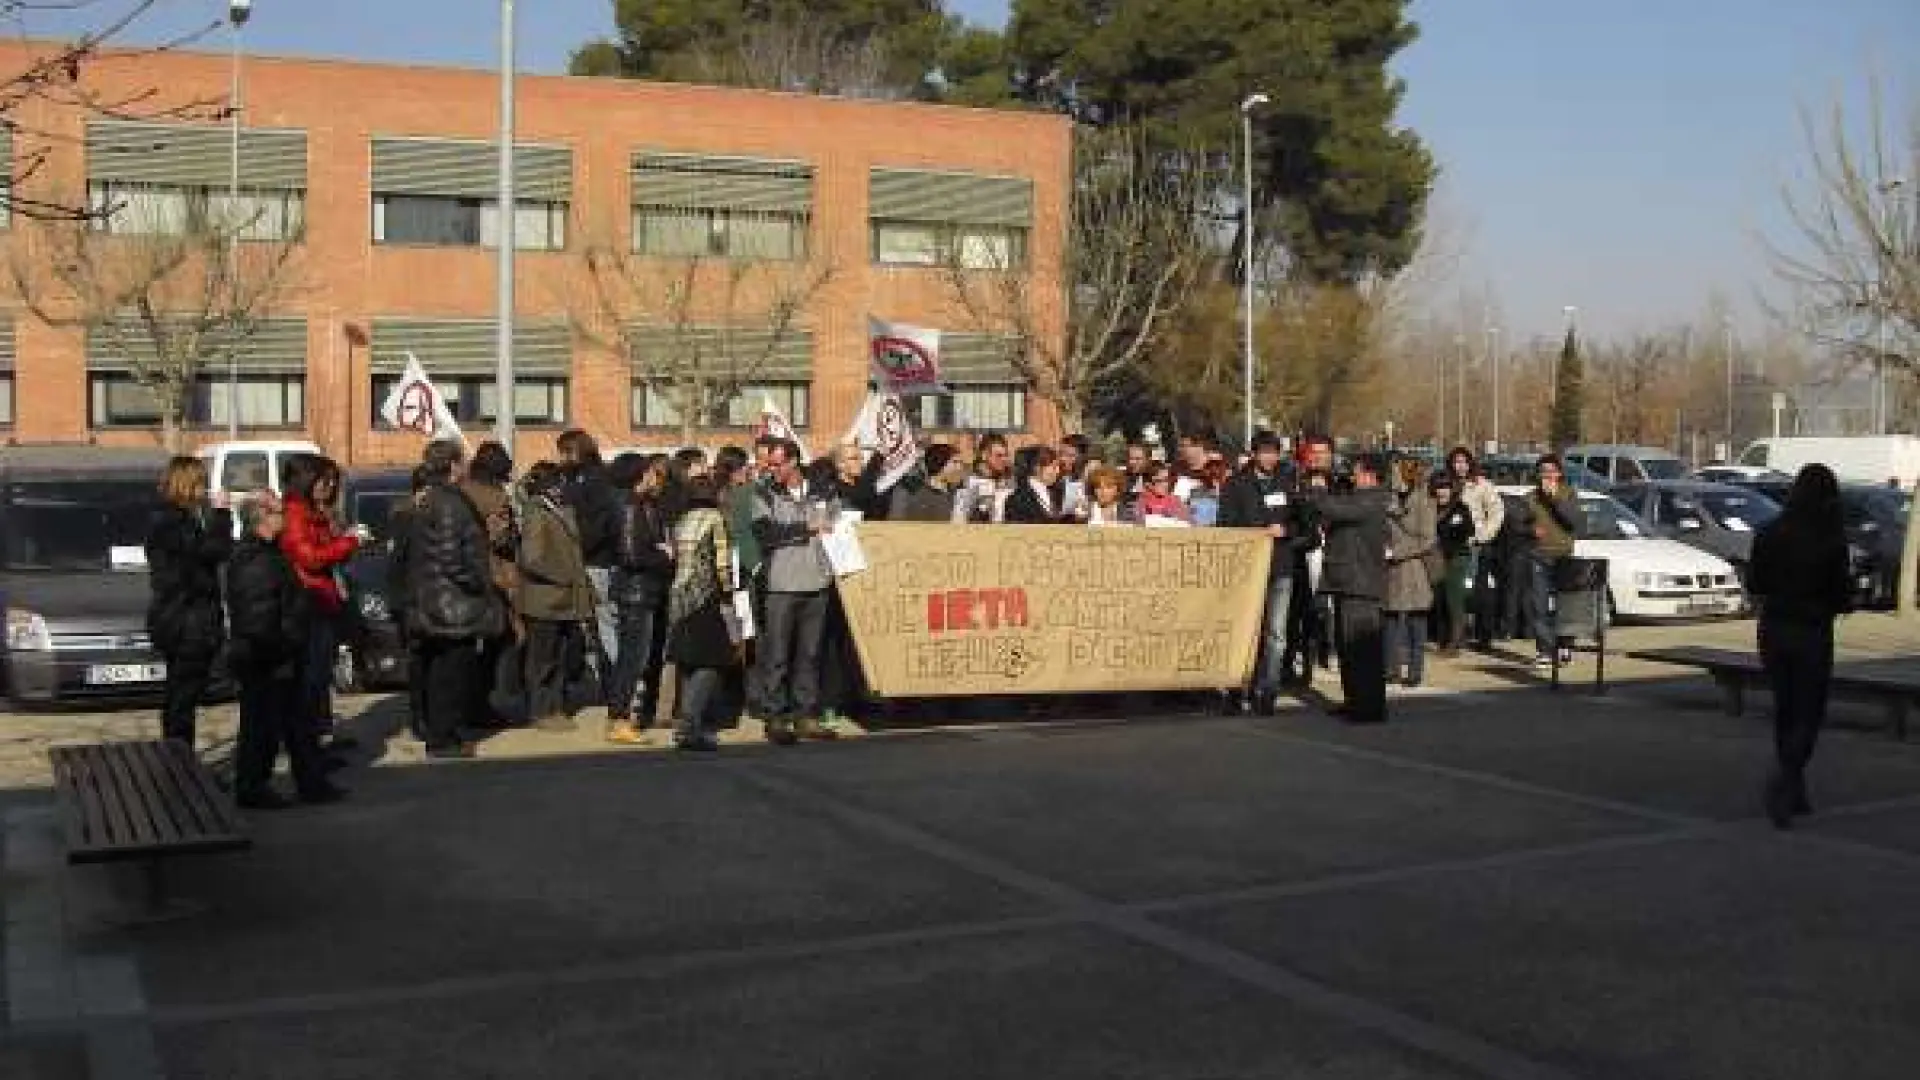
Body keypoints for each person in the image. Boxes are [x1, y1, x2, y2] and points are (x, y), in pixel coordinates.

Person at [1748, 463, 1854, 829]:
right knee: (1809, 713)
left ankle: (1794, 789)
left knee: (1786, 707)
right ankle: (1785, 778)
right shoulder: (1830, 540)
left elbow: (1755, 582)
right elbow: (1842, 595)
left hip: (1774, 627)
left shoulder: (1769, 532)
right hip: (1811, 630)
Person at [225, 492, 342, 808]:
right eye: (278, 511)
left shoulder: (268, 554)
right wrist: (282, 647)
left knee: (295, 723)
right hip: (268, 656)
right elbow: (259, 616)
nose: (285, 516)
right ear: (262, 517)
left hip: (280, 653)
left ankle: (310, 783)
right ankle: (253, 787)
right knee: (261, 726)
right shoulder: (255, 559)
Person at [408, 439, 500, 759]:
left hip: (438, 599)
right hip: (451, 603)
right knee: (449, 673)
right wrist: (479, 584)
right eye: (462, 462)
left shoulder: (434, 499)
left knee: (442, 671)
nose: (466, 467)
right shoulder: (447, 503)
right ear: (453, 466)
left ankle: (443, 731)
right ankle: (442, 738)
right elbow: (453, 558)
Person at [751, 438, 838, 744]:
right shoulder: (764, 492)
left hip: (817, 582)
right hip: (782, 585)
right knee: (777, 654)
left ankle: (806, 715)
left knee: (810, 654)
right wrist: (806, 528)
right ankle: (775, 716)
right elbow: (765, 532)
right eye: (770, 464)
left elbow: (837, 525)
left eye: (777, 464)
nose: (771, 470)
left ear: (793, 462)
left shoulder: (823, 491)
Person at [144, 456, 234, 749]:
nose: (205, 490)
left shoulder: (175, 519)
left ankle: (178, 755)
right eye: (200, 484)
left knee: (181, 694)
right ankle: (178, 758)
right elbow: (213, 551)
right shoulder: (172, 522)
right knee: (183, 695)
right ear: (186, 485)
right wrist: (222, 514)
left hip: (181, 617)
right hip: (185, 620)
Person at [279, 453, 364, 750]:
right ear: (306, 481)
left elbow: (326, 551)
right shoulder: (295, 514)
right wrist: (348, 543)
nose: (329, 486)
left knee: (320, 673)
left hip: (323, 598)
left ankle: (320, 734)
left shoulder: (317, 511)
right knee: (310, 677)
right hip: (309, 600)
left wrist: (344, 539)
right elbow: (309, 558)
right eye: (323, 480)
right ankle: (308, 742)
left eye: (331, 481)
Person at [1218, 431, 1304, 713]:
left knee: (1276, 633)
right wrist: (1256, 533)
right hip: (1246, 570)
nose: (1270, 458)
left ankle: (1267, 691)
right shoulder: (1235, 484)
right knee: (1244, 630)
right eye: (1264, 452)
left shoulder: (1288, 484)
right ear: (1254, 453)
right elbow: (1225, 525)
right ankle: (1235, 688)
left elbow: (1304, 525)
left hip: (1280, 567)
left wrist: (1286, 531)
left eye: (1274, 452)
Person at [1311, 454, 1390, 723]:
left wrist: (1319, 488)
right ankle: (1355, 701)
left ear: (1370, 475)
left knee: (1362, 650)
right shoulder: (1360, 498)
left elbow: (1335, 509)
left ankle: (1368, 707)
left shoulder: (1372, 499)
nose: (1352, 477)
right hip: (1348, 582)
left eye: (1356, 472)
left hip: (1362, 585)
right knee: (1348, 648)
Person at [517, 462, 596, 731]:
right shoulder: (537, 513)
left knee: (561, 655)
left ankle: (556, 706)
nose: (564, 488)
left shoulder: (560, 511)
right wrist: (564, 576)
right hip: (546, 599)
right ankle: (541, 710)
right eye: (559, 483)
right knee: (543, 659)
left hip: (565, 598)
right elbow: (532, 558)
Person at [605, 454, 674, 743]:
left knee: (637, 655)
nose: (653, 478)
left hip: (644, 589)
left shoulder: (644, 505)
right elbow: (631, 554)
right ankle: (618, 718)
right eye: (648, 472)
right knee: (633, 657)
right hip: (635, 590)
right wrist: (664, 554)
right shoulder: (629, 506)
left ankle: (622, 715)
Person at [665, 476, 738, 752]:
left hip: (679, 596)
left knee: (688, 661)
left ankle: (687, 720)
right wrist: (729, 591)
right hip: (705, 596)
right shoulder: (715, 519)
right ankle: (690, 726)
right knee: (711, 661)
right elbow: (722, 562)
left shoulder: (682, 521)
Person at [556, 429, 622, 698]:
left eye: (564, 452)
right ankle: (613, 682)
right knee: (603, 625)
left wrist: (581, 548)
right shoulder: (592, 478)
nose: (561, 458)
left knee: (605, 625)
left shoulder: (591, 481)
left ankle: (617, 684)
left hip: (596, 562)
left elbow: (597, 523)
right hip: (599, 560)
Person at [461, 441, 521, 724]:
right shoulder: (496, 498)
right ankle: (481, 705)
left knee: (470, 646)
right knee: (497, 642)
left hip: (463, 575)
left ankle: (468, 703)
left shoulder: (460, 491)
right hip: (494, 575)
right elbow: (502, 539)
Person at [1526, 455, 1585, 673]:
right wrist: (1530, 530)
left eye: (1551, 471)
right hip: (1538, 556)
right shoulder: (1531, 497)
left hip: (1563, 555)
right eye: (1543, 471)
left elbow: (1575, 522)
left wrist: (1555, 500)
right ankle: (1544, 651)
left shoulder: (1568, 494)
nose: (1547, 475)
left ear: (1559, 473)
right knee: (1539, 607)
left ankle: (1565, 646)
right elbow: (1522, 525)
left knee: (1565, 606)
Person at [386, 465, 432, 741]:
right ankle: (420, 717)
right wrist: (398, 604)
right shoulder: (405, 519)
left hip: (432, 599)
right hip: (412, 601)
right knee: (418, 663)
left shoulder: (434, 515)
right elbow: (396, 565)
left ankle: (430, 715)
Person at [1384, 458, 1437, 688]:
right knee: (1390, 620)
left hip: (1415, 568)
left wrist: (1395, 552)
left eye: (1397, 471)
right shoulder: (1388, 499)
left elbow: (1428, 539)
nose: (1394, 475)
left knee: (1416, 622)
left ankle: (1415, 671)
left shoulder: (1424, 501)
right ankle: (1390, 668)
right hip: (1391, 569)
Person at [1446, 447, 1506, 648]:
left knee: (1480, 592)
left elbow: (1496, 513)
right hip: (1452, 545)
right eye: (1456, 462)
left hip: (1477, 545)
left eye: (1463, 461)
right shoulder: (1446, 484)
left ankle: (1484, 634)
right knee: (1455, 591)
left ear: (1470, 463)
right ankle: (1455, 633)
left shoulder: (1482, 485)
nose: (1460, 466)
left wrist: (1483, 535)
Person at [1432, 475, 1476, 656]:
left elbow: (1468, 530)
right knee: (1440, 600)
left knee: (1454, 600)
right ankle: (1444, 639)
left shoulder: (1460, 508)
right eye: (1439, 487)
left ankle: (1455, 642)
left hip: (1457, 558)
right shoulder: (1430, 508)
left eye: (1445, 487)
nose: (1442, 491)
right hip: (1436, 558)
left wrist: (1455, 527)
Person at [889, 444, 966, 521]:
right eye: (955, 462)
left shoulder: (956, 494)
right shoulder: (909, 489)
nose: (959, 468)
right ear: (939, 461)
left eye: (961, 463)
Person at [1003, 446, 1066, 523]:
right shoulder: (1017, 501)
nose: (1058, 471)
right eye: (1053, 467)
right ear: (1036, 468)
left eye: (1058, 467)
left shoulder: (1056, 492)